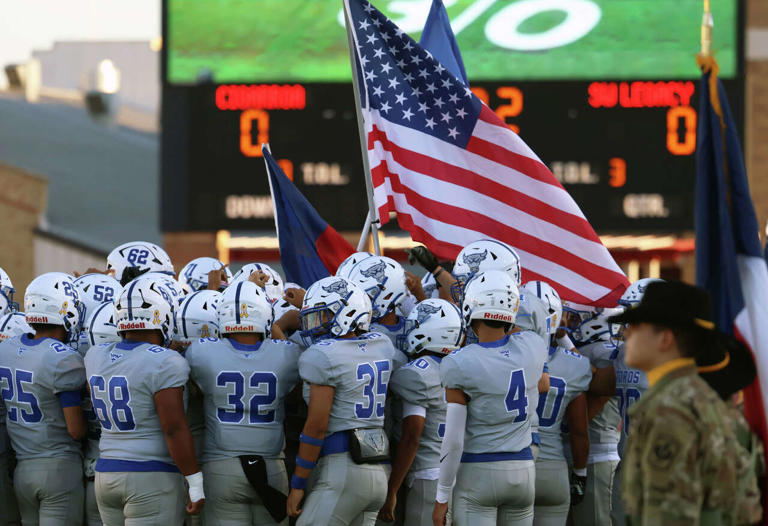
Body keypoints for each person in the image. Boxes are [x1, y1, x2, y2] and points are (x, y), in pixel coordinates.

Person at [608, 281, 762, 524]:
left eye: (637, 325)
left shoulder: (670, 410)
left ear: (665, 340)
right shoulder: (700, 396)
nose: (627, 332)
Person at [84, 276, 204, 525]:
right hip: (149, 476)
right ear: (162, 316)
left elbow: (133, 366)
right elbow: (173, 428)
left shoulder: (95, 356)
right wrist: (194, 481)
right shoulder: (166, 362)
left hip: (105, 473)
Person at [433, 270, 545, 526]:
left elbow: (453, 440)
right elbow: (514, 331)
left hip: (480, 471)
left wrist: (442, 495)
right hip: (524, 470)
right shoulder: (533, 346)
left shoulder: (459, 362)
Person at [186, 282, 300, 526]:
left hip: (221, 467)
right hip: (270, 467)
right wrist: (279, 327)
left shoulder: (201, 353)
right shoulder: (287, 355)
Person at [287, 276, 396, 525]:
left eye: (322, 316)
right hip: (379, 469)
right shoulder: (382, 345)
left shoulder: (323, 356)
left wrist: (299, 483)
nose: (315, 324)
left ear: (345, 314)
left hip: (342, 468)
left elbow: (316, 427)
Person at [0, 272, 87, 525]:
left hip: (22, 471)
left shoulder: (5, 349)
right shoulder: (63, 358)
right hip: (58, 468)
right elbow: (75, 430)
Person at [379, 299, 464, 526]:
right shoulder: (462, 366)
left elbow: (412, 437)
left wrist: (392, 489)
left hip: (428, 476)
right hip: (458, 474)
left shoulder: (417, 374)